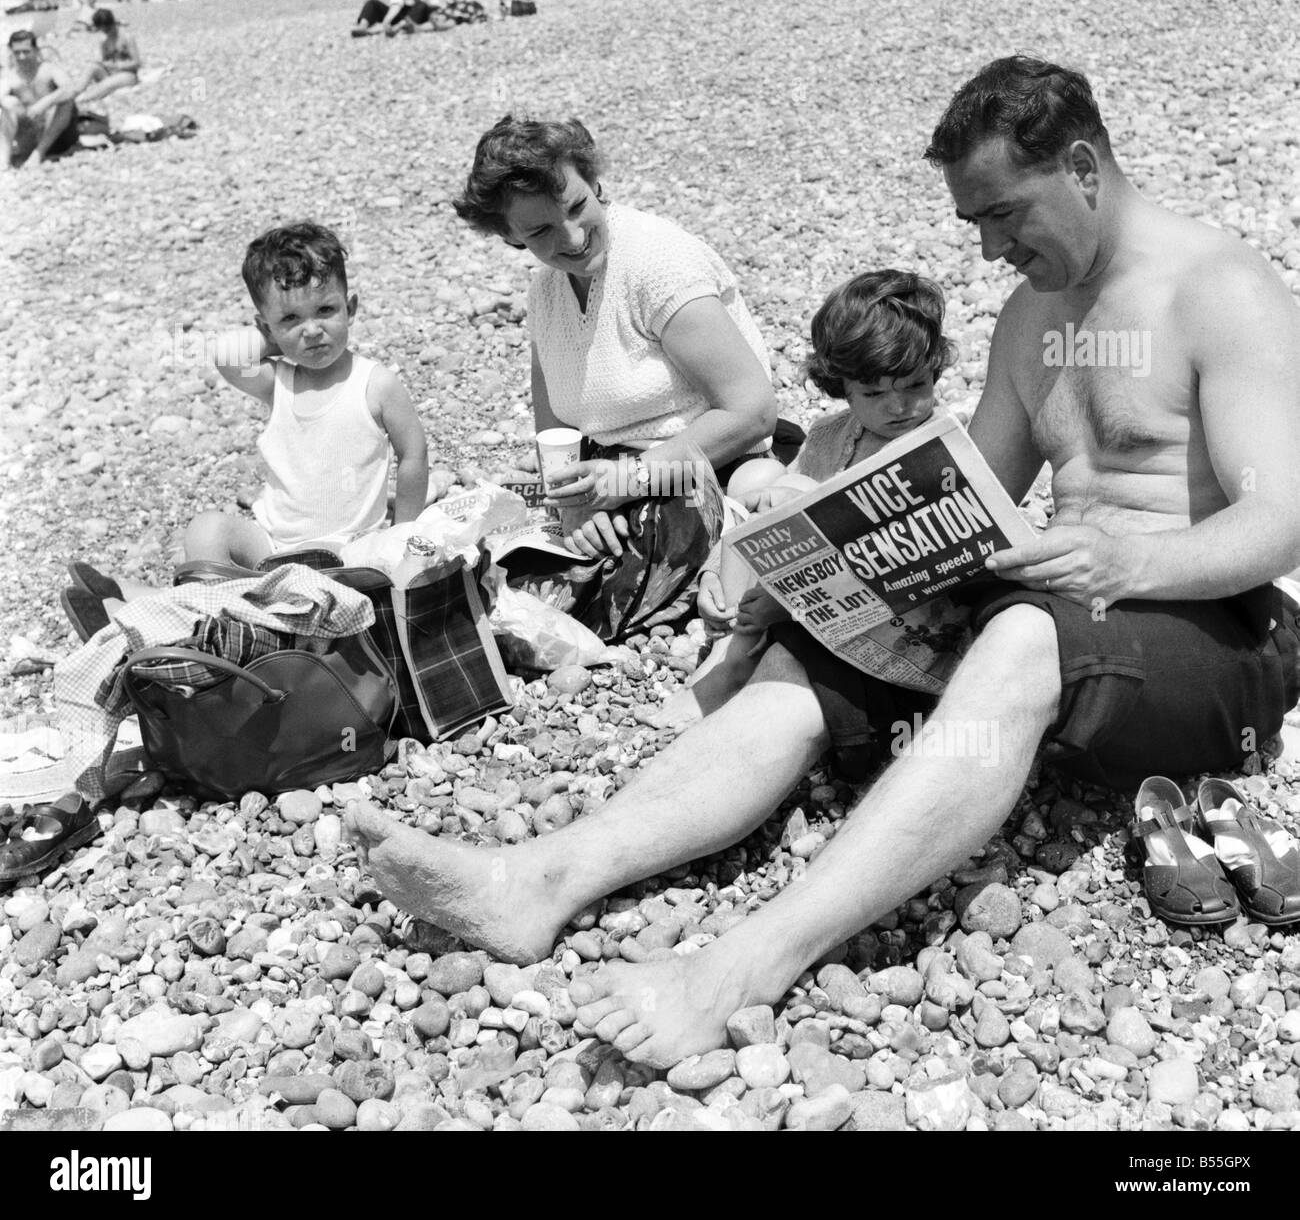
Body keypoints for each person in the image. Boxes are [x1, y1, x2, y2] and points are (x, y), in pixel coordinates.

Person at [345, 56, 1300, 1067]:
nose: (986, 250)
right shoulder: (1033, 316)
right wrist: (827, 546)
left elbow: (1280, 520)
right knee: (810, 652)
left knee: (1020, 635)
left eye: (1002, 215)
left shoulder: (1216, 289)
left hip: (1212, 634)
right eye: (971, 223)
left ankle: (744, 966)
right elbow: (964, 480)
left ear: (1080, 164)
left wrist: (1125, 559)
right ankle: (542, 877)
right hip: (1067, 609)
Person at [62, 222, 428, 633]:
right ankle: (190, 610)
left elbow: (412, 454)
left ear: (351, 307)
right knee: (207, 528)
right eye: (291, 318)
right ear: (265, 327)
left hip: (348, 551)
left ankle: (135, 606)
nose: (312, 329)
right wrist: (276, 341)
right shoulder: (279, 382)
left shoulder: (374, 383)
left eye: (326, 310)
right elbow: (223, 354)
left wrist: (405, 536)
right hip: (272, 547)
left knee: (272, 594)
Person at [452, 115, 778, 560]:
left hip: (711, 463)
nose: (572, 237)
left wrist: (629, 481)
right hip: (611, 476)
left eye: (575, 206)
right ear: (509, 235)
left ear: (594, 182)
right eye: (540, 231)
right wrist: (573, 507)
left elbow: (752, 412)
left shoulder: (657, 264)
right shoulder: (546, 292)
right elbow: (556, 433)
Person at [676, 269, 955, 724]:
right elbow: (760, 521)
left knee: (799, 495)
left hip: (892, 610)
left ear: (936, 370)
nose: (899, 406)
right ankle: (730, 652)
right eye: (873, 393)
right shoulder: (830, 435)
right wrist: (712, 574)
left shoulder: (940, 445)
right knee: (759, 481)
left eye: (915, 386)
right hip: (807, 594)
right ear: (840, 386)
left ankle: (736, 662)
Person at [0, 29, 79, 168]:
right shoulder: (11, 77)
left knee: (66, 102)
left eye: (26, 51)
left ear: (35, 50)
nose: (22, 57)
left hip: (58, 138)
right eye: (17, 53)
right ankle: (4, 159)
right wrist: (6, 102)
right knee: (6, 103)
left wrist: (45, 102)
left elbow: (71, 89)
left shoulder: (48, 70)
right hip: (29, 136)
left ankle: (39, 153)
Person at [76, 9, 141, 104]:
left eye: (107, 29)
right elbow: (105, 61)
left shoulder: (127, 37)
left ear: (113, 24)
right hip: (110, 73)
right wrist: (101, 63)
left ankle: (81, 100)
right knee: (91, 66)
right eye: (102, 30)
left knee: (107, 84)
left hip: (127, 74)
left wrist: (117, 66)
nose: (106, 32)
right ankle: (75, 92)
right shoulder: (103, 41)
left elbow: (137, 62)